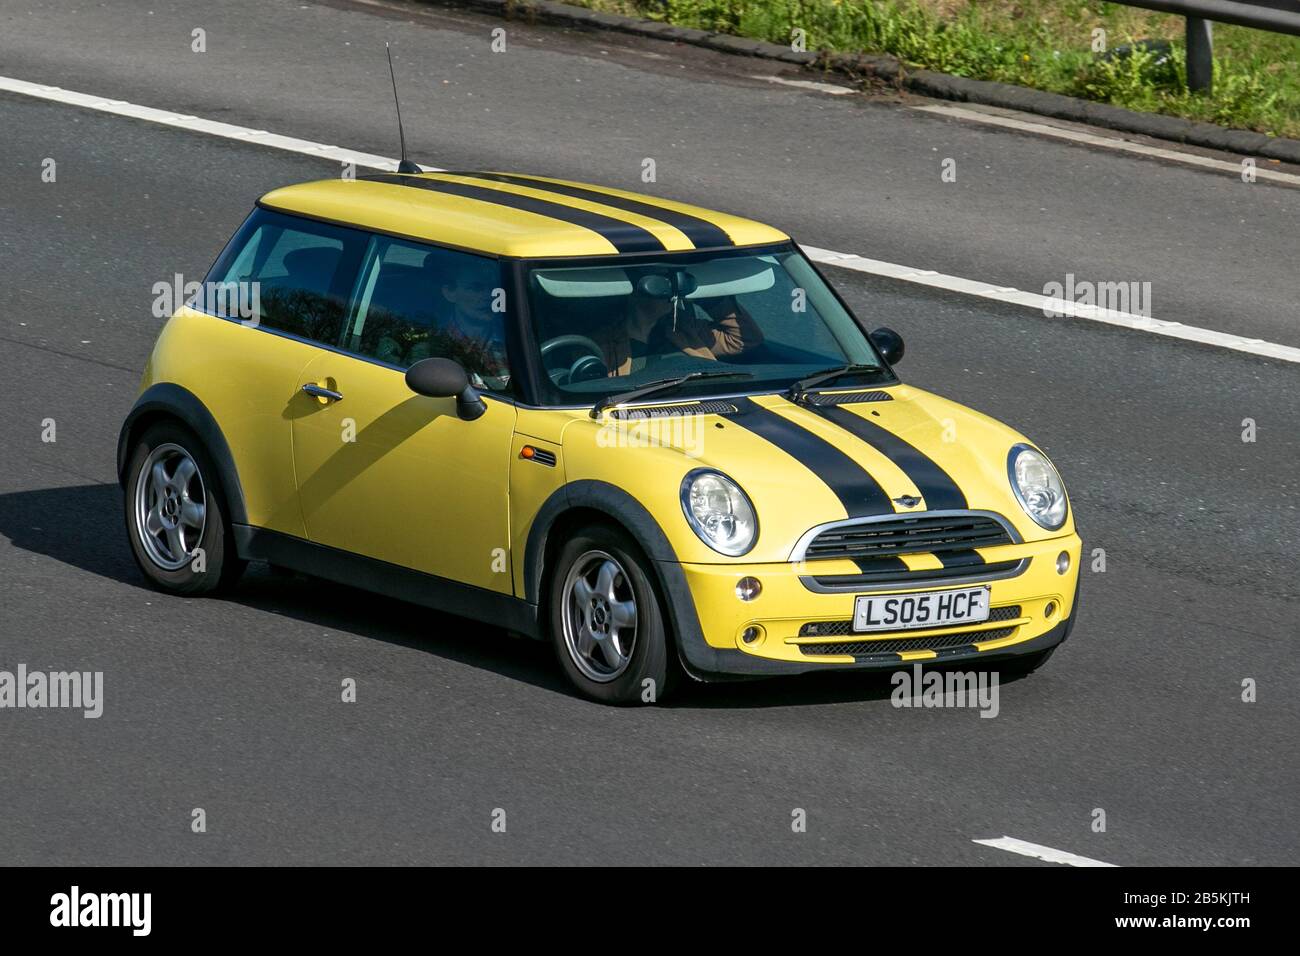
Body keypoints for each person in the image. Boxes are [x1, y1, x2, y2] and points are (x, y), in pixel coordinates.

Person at [594, 278, 764, 377]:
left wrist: (708, 297)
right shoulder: (601, 343)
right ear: (636, 295)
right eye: (661, 286)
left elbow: (745, 338)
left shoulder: (684, 329)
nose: (672, 294)